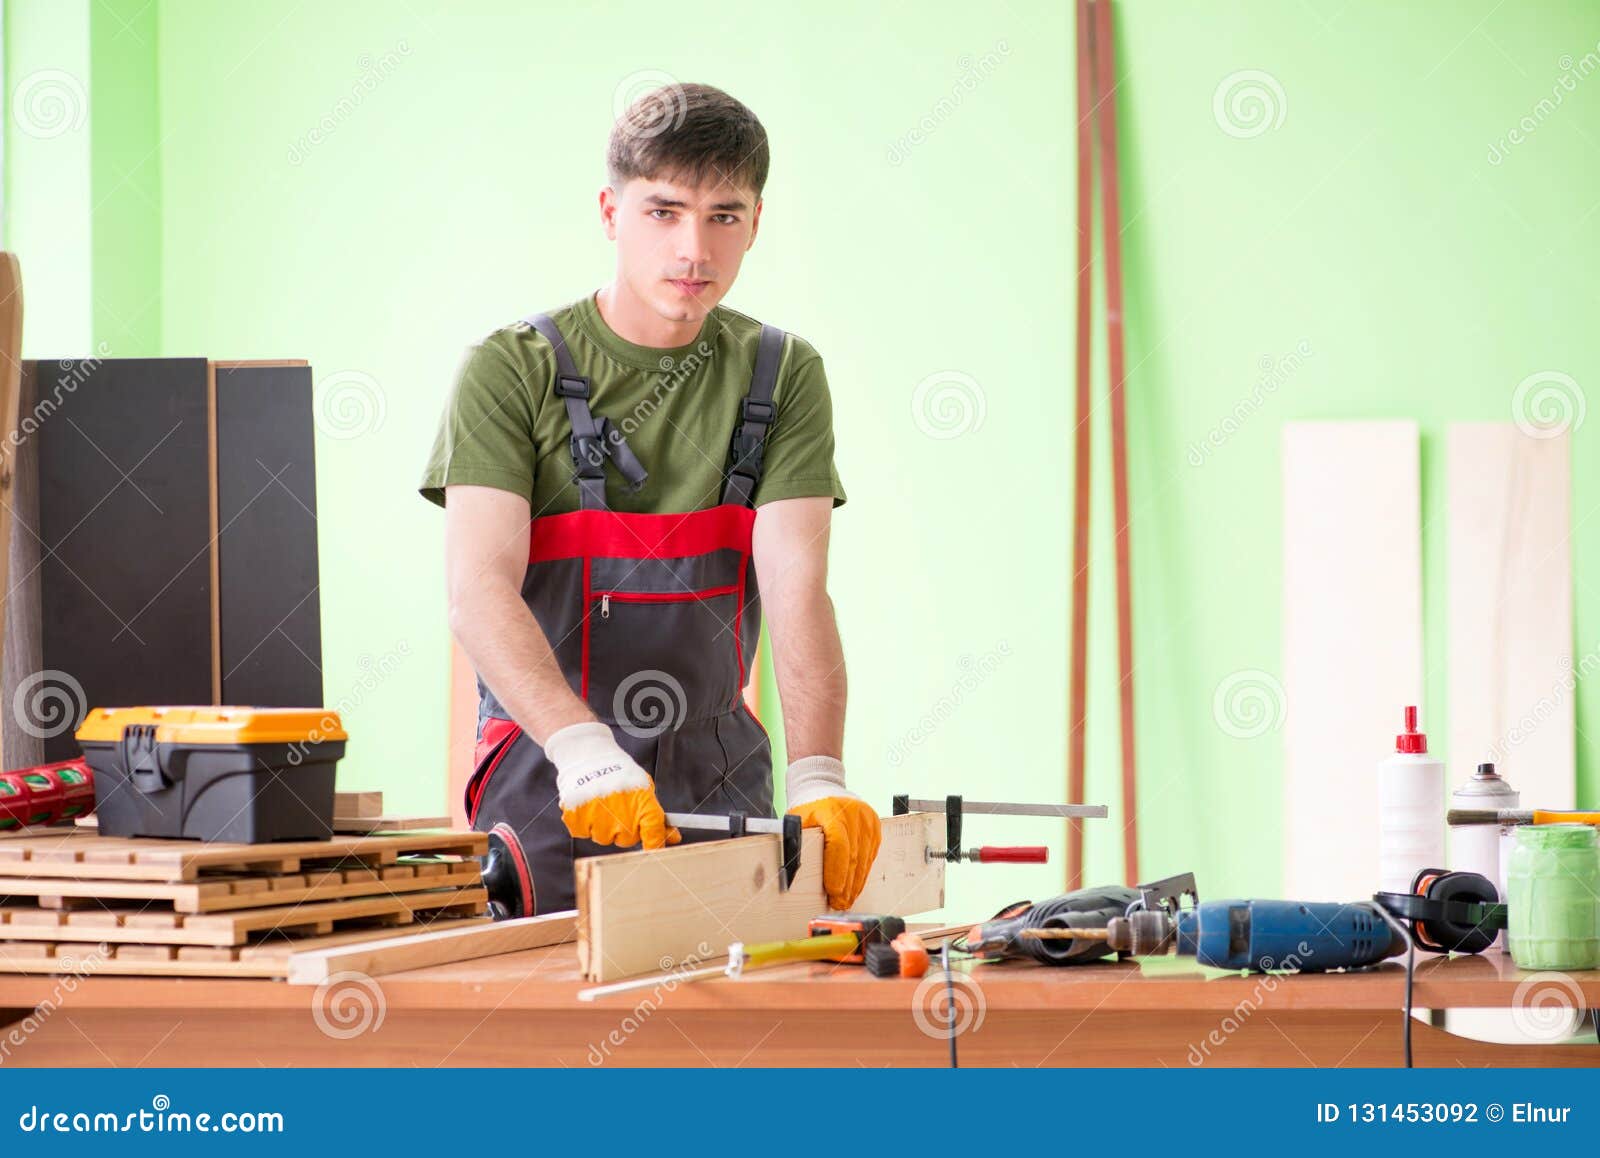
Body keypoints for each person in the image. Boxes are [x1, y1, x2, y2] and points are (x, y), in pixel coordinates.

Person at [419, 82, 880, 917]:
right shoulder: (509, 369)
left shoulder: (782, 376)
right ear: (610, 211)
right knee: (548, 1025)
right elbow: (476, 591)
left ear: (756, 222)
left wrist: (820, 773)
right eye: (664, 211)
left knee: (737, 1023)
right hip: (551, 779)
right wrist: (580, 746)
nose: (694, 249)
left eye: (724, 216)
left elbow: (797, 588)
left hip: (723, 779)